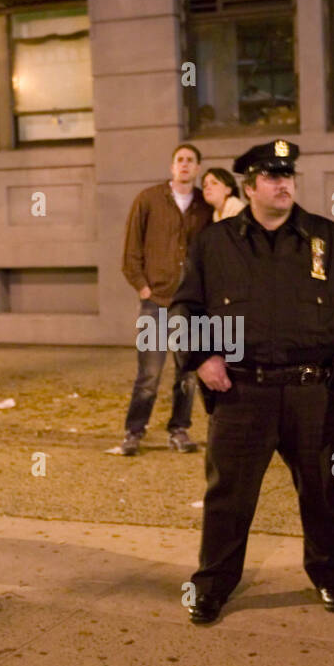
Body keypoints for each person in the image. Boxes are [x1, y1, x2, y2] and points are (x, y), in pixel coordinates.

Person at [171, 139, 334, 624]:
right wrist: (201, 358)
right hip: (242, 391)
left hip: (315, 393)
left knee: (322, 489)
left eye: (287, 175)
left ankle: (331, 577)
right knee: (229, 495)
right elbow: (185, 308)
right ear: (249, 186)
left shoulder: (328, 240)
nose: (283, 183)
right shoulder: (214, 244)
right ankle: (213, 586)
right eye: (271, 176)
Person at [118, 143, 214, 456]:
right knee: (149, 373)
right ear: (172, 166)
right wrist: (143, 288)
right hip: (155, 301)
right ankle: (134, 432)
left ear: (198, 168)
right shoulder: (148, 199)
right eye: (180, 160)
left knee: (186, 373)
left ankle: (179, 430)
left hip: (190, 304)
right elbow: (131, 249)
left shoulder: (205, 206)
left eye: (191, 161)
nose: (185, 165)